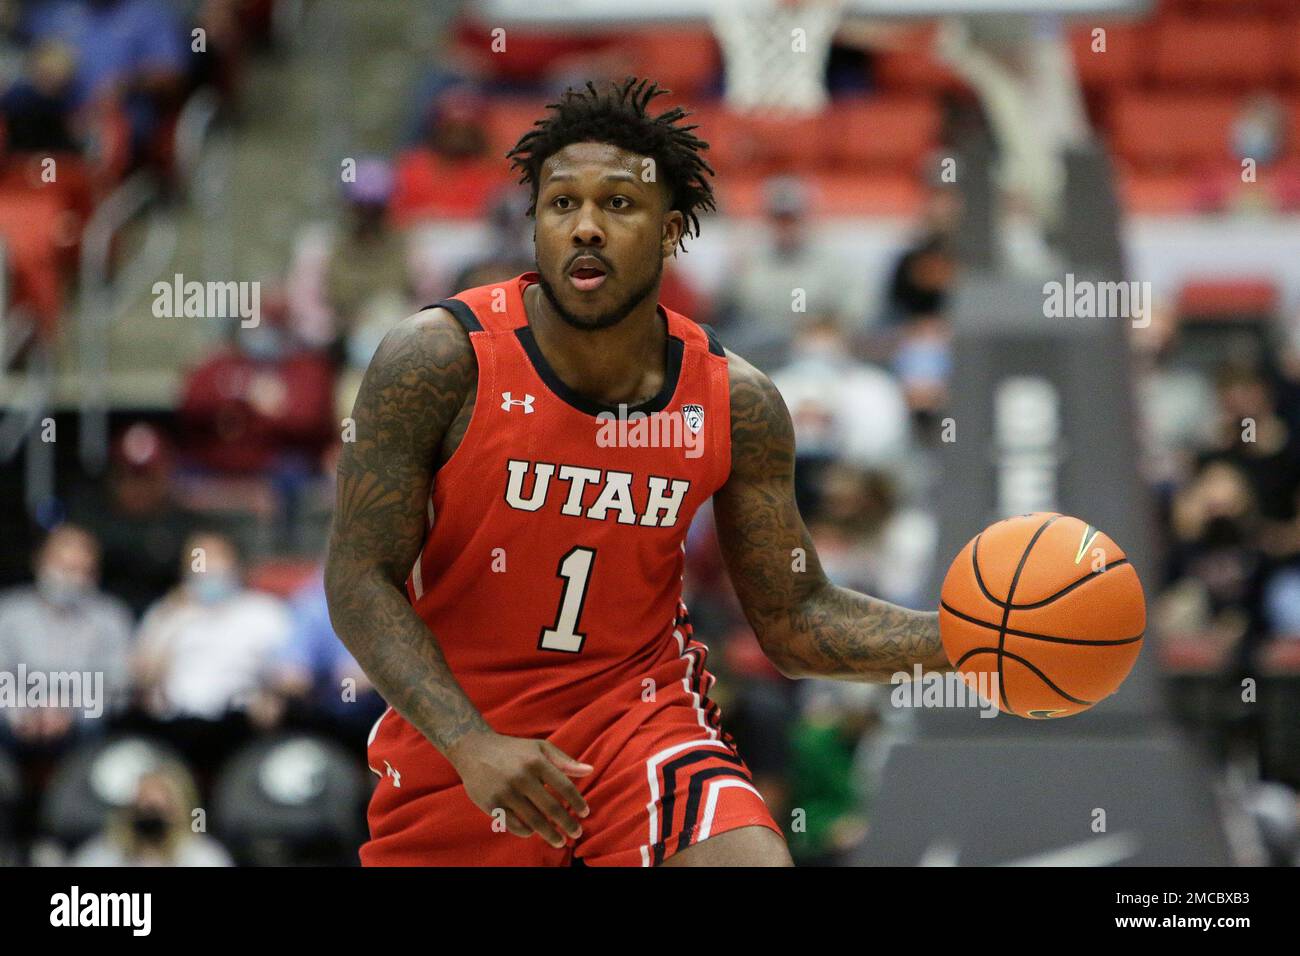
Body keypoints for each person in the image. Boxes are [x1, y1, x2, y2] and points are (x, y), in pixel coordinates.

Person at [325, 77, 950, 868]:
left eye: (618, 204)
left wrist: (964, 640)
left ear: (671, 229)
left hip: (642, 722)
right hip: (457, 749)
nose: (585, 227)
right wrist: (470, 742)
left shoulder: (735, 401)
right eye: (561, 205)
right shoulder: (438, 360)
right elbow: (357, 579)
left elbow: (794, 617)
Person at [0, 525, 133, 749]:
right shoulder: (9, 611)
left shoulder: (111, 617)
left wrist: (71, 711)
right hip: (13, 722)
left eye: (80, 570)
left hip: (83, 726)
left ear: (95, 574)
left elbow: (118, 685)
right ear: (40, 562)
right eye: (62, 567)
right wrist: (22, 712)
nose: (69, 578)